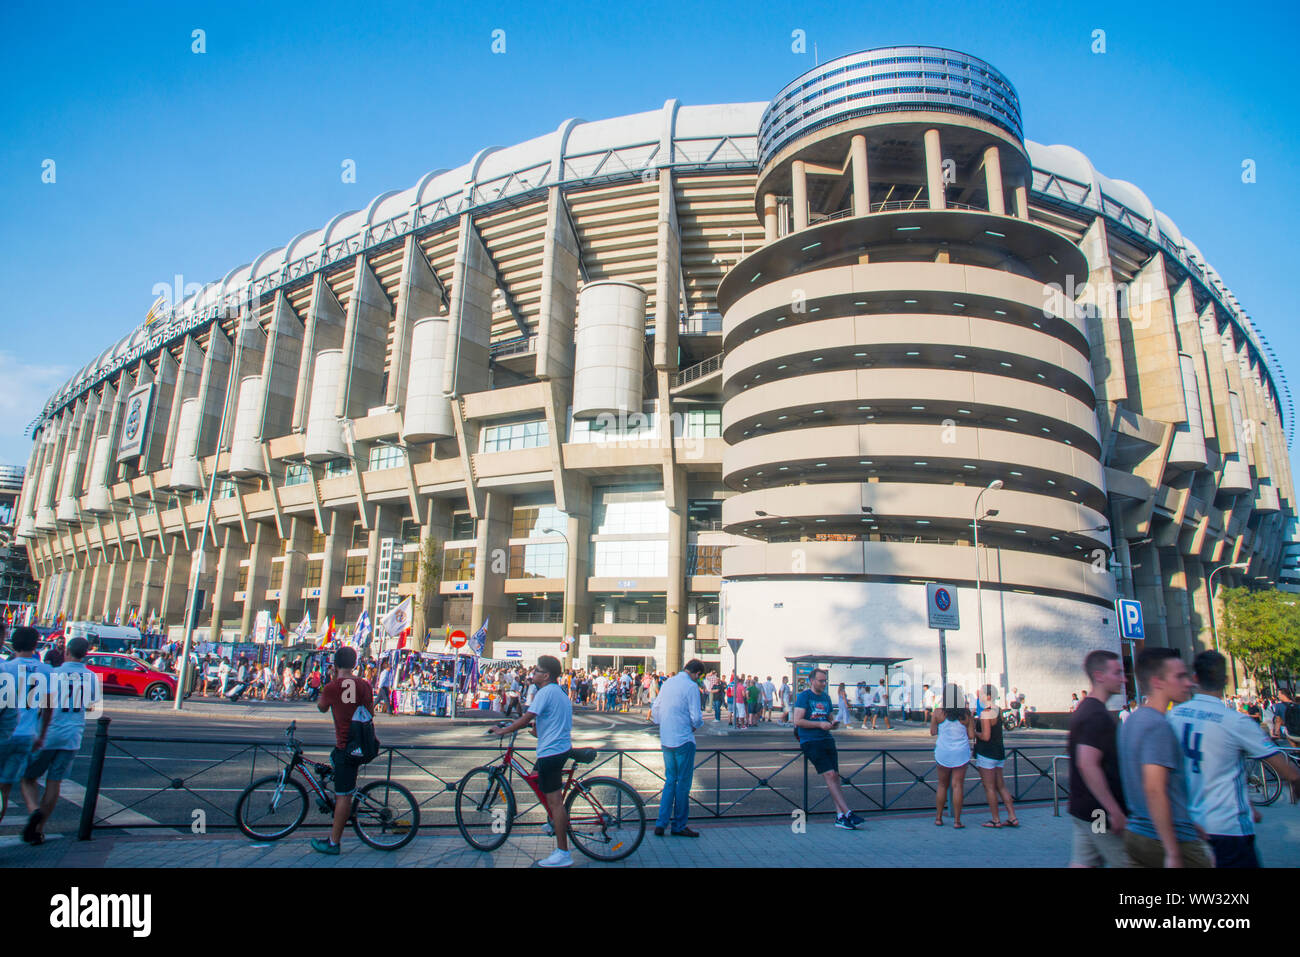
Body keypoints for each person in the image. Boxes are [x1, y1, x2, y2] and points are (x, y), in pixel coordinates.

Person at [1170, 651, 1300, 868]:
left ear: (1195, 678)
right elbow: (1287, 769)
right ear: (1226, 680)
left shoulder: (1174, 716)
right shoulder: (1235, 721)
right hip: (1227, 828)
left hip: (1188, 826)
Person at [1118, 648, 1211, 868]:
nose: (1188, 683)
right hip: (1170, 838)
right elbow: (1154, 789)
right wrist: (1172, 851)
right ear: (1157, 681)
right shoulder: (1158, 725)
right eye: (1180, 676)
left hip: (1136, 834)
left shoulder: (1132, 720)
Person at [492, 655, 574, 867]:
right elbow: (543, 723)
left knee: (555, 801)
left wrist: (504, 730)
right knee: (540, 784)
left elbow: (526, 718)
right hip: (559, 748)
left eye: (537, 670)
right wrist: (537, 729)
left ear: (546, 675)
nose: (533, 673)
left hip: (551, 752)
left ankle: (563, 852)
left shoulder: (544, 692)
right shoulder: (559, 692)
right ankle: (553, 821)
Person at [20, 636, 99, 845]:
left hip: (50, 732)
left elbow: (42, 704)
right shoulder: (91, 677)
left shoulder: (54, 674)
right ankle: (39, 829)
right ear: (86, 654)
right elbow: (92, 706)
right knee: (54, 782)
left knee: (28, 778)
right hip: (73, 734)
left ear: (66, 652)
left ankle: (34, 811)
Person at [1067, 650, 1129, 867]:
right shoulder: (1096, 715)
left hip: (1085, 810)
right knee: (1127, 861)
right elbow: (1087, 763)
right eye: (1118, 673)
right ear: (1099, 675)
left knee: (1085, 862)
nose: (1124, 678)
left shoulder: (1086, 708)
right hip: (1099, 814)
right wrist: (1113, 809)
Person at [311, 647, 375, 856]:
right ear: (355, 664)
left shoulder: (332, 687)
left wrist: (331, 683)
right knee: (334, 762)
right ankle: (343, 792)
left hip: (346, 746)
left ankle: (333, 843)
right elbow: (370, 712)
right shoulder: (364, 685)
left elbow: (321, 707)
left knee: (343, 796)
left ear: (335, 665)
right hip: (362, 743)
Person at [792, 668, 864, 829]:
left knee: (835, 776)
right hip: (811, 741)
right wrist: (819, 724)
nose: (823, 684)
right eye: (820, 681)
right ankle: (848, 813)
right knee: (830, 774)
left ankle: (840, 816)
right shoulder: (804, 697)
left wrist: (833, 724)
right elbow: (797, 720)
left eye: (825, 681)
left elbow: (828, 716)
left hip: (826, 739)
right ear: (812, 681)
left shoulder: (825, 697)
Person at [0, 627, 49, 825]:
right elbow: (49, 707)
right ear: (36, 645)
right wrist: (41, 735)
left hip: (6, 731)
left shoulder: (7, 668)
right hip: (28, 733)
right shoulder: (45, 670)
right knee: (5, 788)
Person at [651, 659, 705, 837]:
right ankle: (679, 825)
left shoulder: (668, 682)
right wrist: (696, 725)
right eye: (699, 676)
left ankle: (661, 823)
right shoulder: (691, 687)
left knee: (669, 781)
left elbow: (656, 708)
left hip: (666, 738)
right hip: (684, 739)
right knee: (682, 784)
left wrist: (664, 724)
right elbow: (696, 716)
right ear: (697, 674)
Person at [974, 684, 1018, 828]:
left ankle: (995, 819)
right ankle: (1012, 817)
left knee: (990, 788)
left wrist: (974, 732)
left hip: (987, 753)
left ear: (987, 696)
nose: (979, 697)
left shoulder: (986, 713)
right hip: (999, 751)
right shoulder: (997, 710)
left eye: (981, 694)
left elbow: (986, 736)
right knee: (1001, 786)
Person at [931, 684, 973, 827]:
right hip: (961, 752)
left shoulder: (938, 712)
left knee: (942, 785)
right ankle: (957, 820)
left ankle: (938, 818)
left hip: (943, 751)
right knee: (957, 786)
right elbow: (971, 735)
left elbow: (932, 731)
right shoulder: (966, 714)